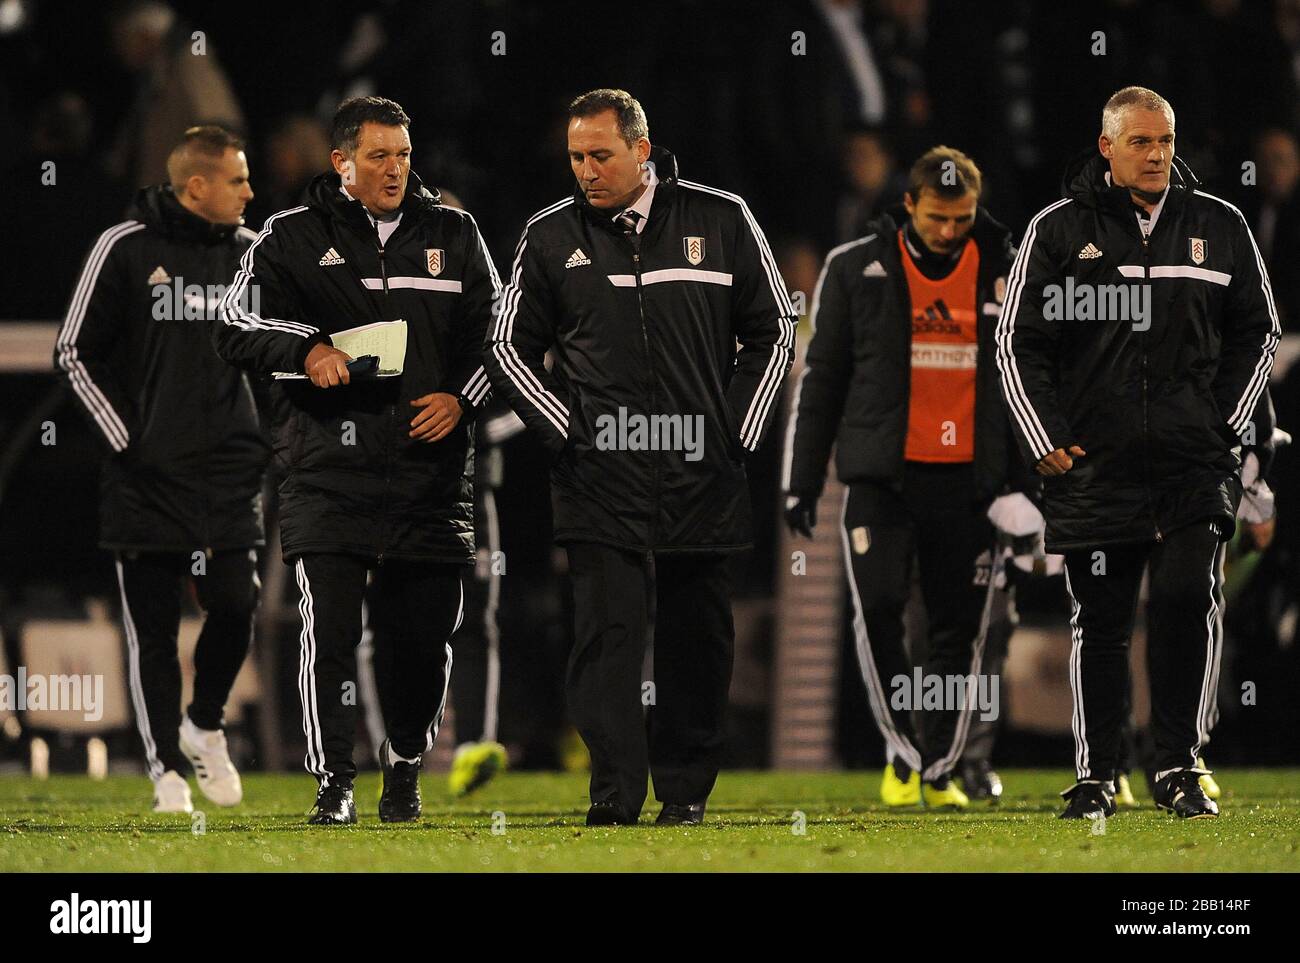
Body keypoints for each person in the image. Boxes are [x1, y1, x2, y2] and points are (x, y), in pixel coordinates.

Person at [484, 88, 795, 826]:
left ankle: (684, 790)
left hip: (702, 467)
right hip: (600, 474)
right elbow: (505, 345)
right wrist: (569, 430)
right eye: (575, 158)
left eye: (600, 155)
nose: (586, 170)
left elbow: (775, 327)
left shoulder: (721, 218)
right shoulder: (550, 234)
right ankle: (614, 795)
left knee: (698, 637)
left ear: (641, 151)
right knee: (605, 638)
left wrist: (736, 432)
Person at [213, 96, 500, 825]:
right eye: (378, 156)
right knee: (330, 630)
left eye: (403, 154)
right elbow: (235, 321)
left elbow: (497, 341)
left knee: (423, 637)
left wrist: (462, 402)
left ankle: (403, 760)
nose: (395, 168)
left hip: (428, 471)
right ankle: (334, 780)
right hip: (326, 466)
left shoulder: (455, 234)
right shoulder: (290, 237)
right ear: (341, 162)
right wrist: (306, 350)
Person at [996, 86, 1280, 819]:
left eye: (1165, 141)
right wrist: (1044, 436)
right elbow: (1016, 341)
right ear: (1107, 147)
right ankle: (1099, 773)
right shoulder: (1057, 231)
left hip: (1193, 460)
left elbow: (1260, 332)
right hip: (1098, 460)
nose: (1157, 155)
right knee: (1103, 616)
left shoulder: (1220, 224)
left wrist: (1224, 423)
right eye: (1141, 142)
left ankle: (1180, 764)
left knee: (1188, 597)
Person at [783, 146, 1027, 809]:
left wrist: (1025, 487)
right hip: (884, 483)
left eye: (963, 218)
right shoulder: (853, 269)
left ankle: (939, 764)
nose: (950, 231)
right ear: (910, 205)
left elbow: (1030, 383)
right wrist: (801, 479)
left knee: (958, 631)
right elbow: (823, 381)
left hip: (970, 485)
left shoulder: (1005, 270)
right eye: (938, 218)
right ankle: (905, 747)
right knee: (883, 611)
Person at [53, 126, 266, 814]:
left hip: (228, 474)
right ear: (197, 187)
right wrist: (128, 439)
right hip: (145, 478)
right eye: (237, 180)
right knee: (150, 629)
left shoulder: (253, 254)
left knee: (236, 601)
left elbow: (288, 346)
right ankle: (165, 769)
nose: (250, 191)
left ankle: (204, 724)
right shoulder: (124, 247)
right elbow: (73, 351)